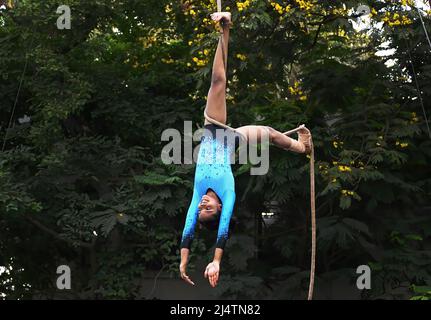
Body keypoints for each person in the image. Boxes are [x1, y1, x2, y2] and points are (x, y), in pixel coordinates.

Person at [179, 11, 312, 288]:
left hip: (215, 128)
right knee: (272, 134)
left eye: (201, 208)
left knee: (218, 81)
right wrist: (216, 260)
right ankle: (302, 147)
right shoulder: (227, 193)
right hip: (233, 141)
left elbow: (188, 230)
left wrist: (183, 261)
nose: (203, 205)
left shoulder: (197, 193)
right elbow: (223, 231)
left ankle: (225, 29)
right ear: (218, 209)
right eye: (208, 209)